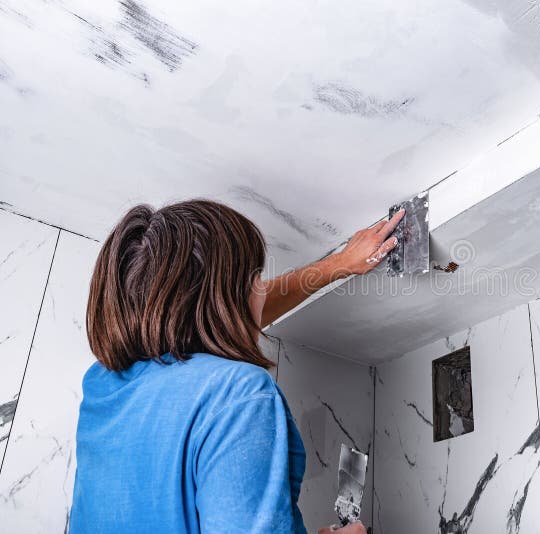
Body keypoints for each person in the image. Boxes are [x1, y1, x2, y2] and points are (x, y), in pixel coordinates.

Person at [69, 200, 404, 533]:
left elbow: (234, 314)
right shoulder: (236, 393)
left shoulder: (103, 385)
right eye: (256, 277)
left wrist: (339, 264)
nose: (262, 287)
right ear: (223, 302)